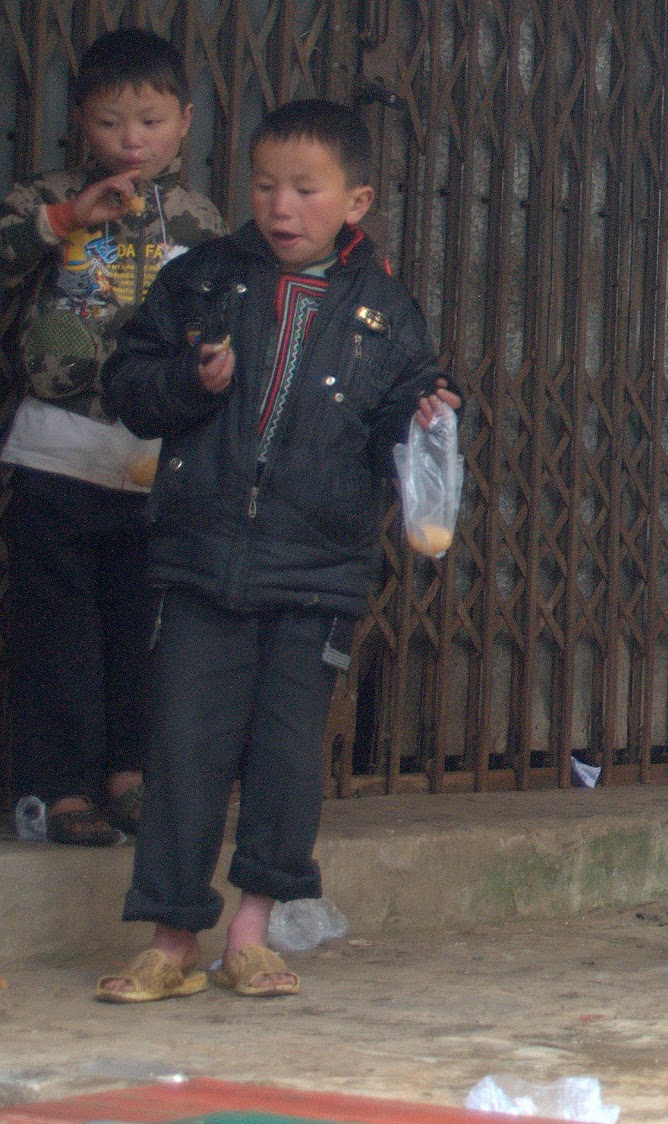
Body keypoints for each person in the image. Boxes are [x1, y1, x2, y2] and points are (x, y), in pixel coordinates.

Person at [92, 98, 458, 1002]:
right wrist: (189, 379)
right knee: (183, 745)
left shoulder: (386, 314)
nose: (281, 206)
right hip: (203, 555)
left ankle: (251, 933)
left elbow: (406, 423)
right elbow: (130, 386)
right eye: (264, 185)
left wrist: (430, 418)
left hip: (319, 569)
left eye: (305, 188)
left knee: (287, 754)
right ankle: (172, 938)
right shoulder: (204, 280)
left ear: (356, 200)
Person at [0, 27, 225, 845]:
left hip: (149, 466)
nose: (132, 141)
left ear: (186, 122)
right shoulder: (45, 198)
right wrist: (64, 219)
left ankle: (129, 773)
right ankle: (59, 789)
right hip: (54, 454)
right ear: (80, 126)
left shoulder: (201, 223)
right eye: (109, 124)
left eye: (152, 122)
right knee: (54, 632)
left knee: (140, 629)